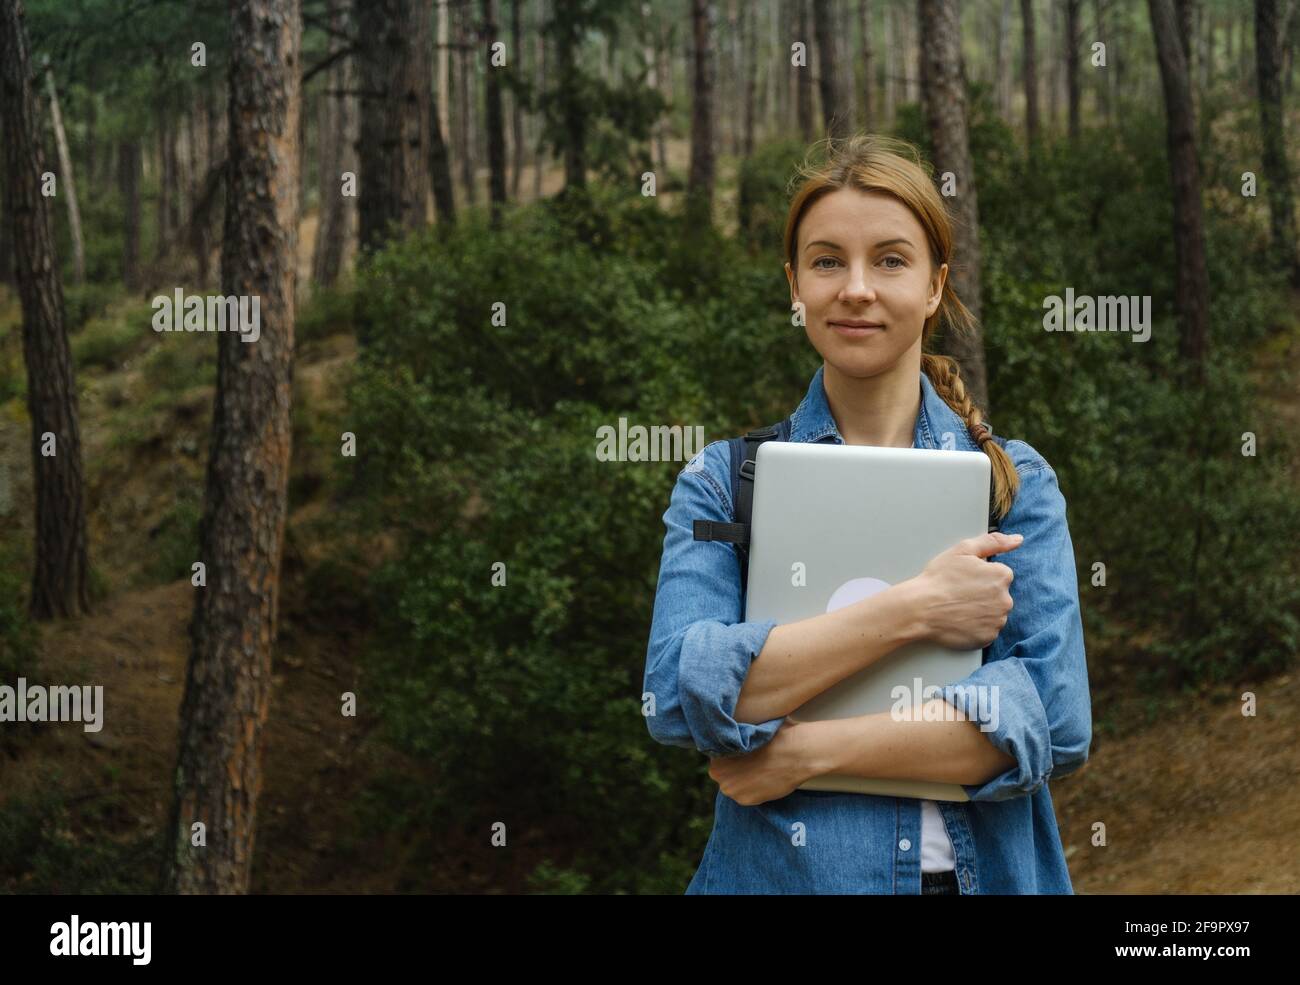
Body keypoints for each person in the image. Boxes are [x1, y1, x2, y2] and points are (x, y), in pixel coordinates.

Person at [642, 134, 1093, 895]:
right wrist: (916, 608)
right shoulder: (722, 482)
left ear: (933, 284)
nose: (856, 287)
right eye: (826, 261)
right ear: (794, 284)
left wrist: (806, 750)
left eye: (890, 260)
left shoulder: (1014, 484)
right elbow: (681, 695)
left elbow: (1052, 721)